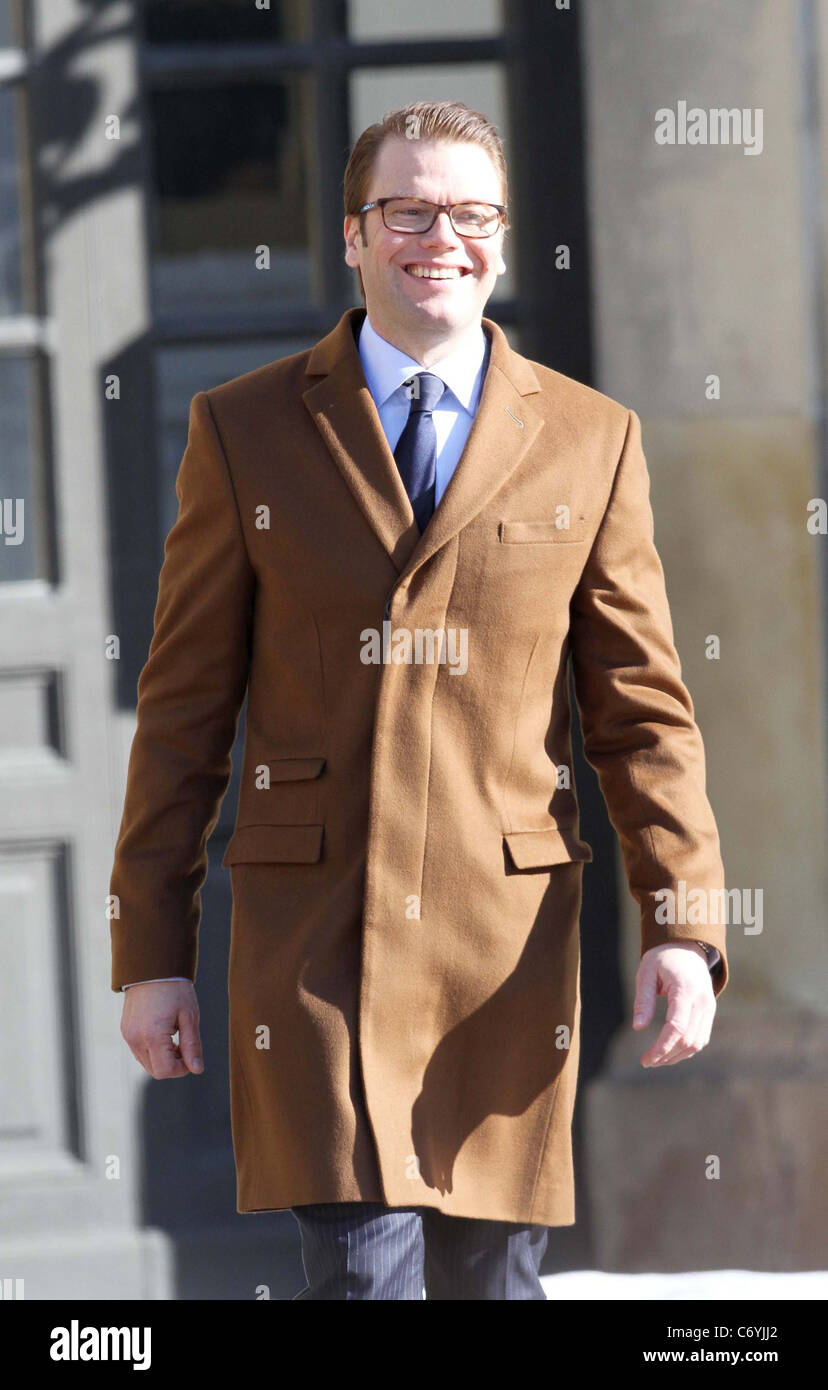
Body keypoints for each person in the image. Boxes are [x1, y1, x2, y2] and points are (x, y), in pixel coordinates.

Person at [111, 100, 728, 1301]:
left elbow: (644, 713)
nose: (440, 234)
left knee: (494, 1285)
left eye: (471, 211)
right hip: (314, 949)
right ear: (353, 234)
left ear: (501, 235)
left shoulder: (592, 441)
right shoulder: (242, 430)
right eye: (407, 207)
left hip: (499, 959)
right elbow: (183, 706)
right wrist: (153, 950)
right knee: (360, 1278)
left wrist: (684, 926)